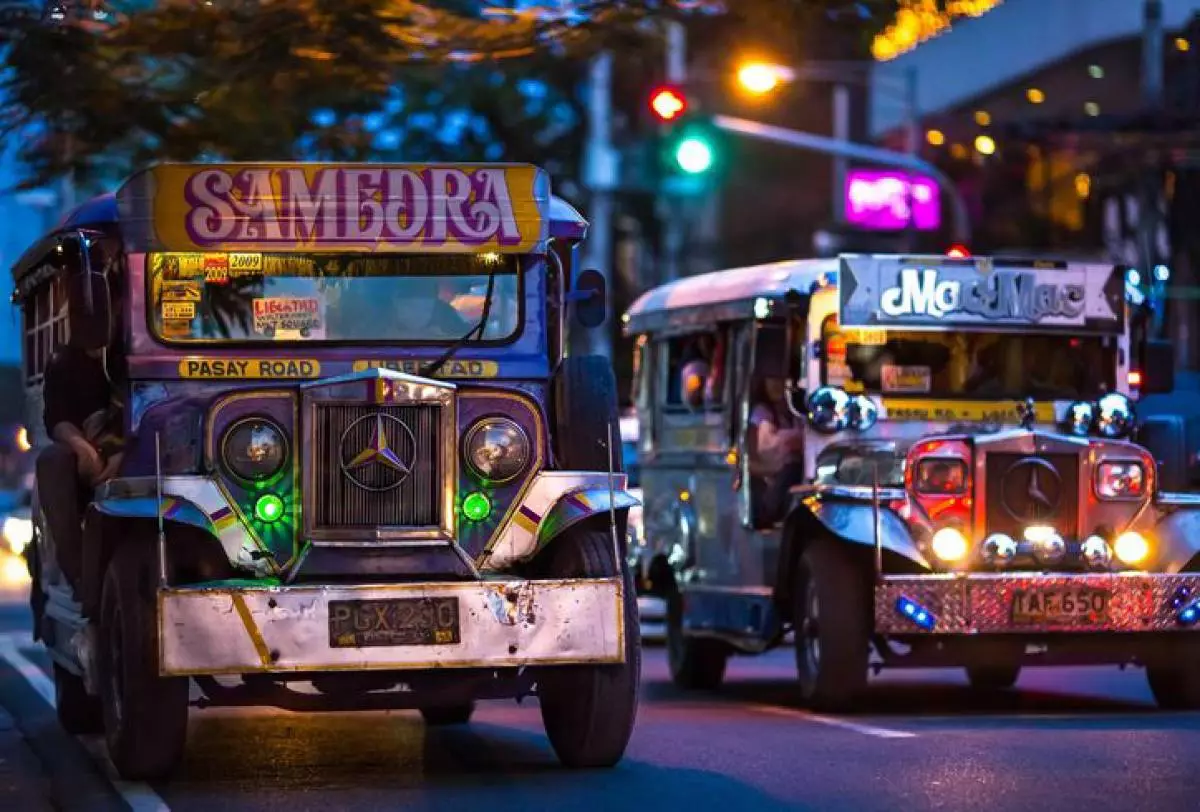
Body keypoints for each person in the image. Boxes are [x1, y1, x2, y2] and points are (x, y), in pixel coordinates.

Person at [36, 272, 125, 589]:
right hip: (86, 456)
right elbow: (56, 418)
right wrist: (83, 448)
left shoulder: (131, 355)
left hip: (133, 451)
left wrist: (121, 454)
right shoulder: (63, 360)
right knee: (51, 461)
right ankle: (79, 576)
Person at [746, 378, 806, 527]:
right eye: (770, 379)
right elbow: (748, 463)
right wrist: (777, 468)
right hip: (769, 489)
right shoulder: (761, 414)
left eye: (780, 379)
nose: (776, 385)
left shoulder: (796, 414)